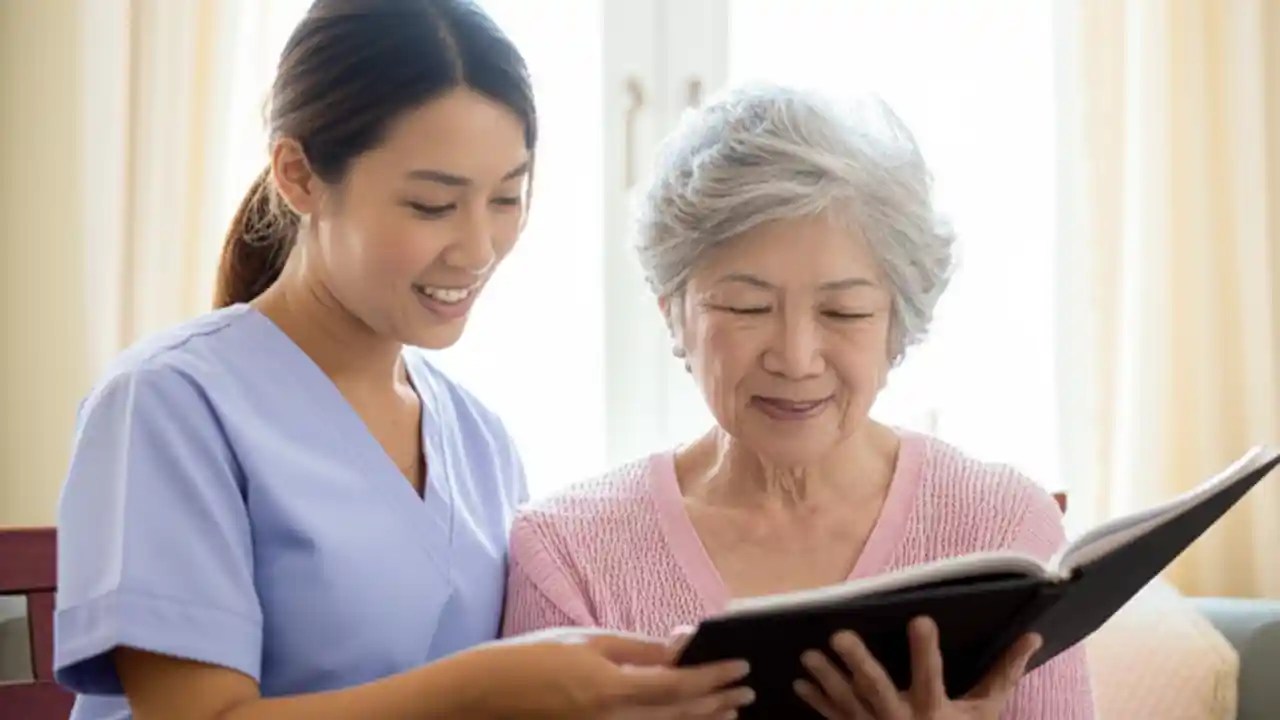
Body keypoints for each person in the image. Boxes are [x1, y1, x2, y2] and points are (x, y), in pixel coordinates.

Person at [51, 1, 757, 718]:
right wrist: (483, 691)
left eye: (508, 197)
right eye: (431, 205)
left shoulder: (479, 442)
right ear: (297, 176)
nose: (478, 249)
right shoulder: (170, 405)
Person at [501, 84, 1096, 719]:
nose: (795, 356)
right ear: (673, 314)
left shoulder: (1002, 530)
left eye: (844, 310)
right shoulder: (569, 552)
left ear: (898, 323)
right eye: (746, 306)